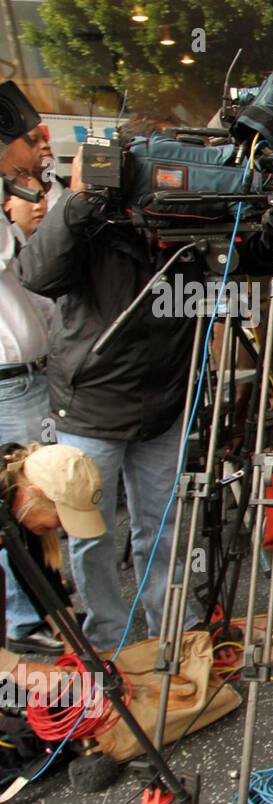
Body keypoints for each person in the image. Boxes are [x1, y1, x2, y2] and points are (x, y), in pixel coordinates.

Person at [14, 118, 244, 652]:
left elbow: (239, 267)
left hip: (165, 397)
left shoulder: (184, 221)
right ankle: (107, 638)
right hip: (92, 404)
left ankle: (176, 628)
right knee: (91, 534)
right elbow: (37, 274)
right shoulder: (87, 220)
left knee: (162, 525)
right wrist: (81, 200)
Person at [0, 172, 60, 654]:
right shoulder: (6, 242)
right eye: (26, 196)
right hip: (9, 387)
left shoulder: (22, 248)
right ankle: (26, 620)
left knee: (43, 503)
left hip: (35, 377)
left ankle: (48, 607)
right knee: (22, 505)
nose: (36, 204)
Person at [0, 442, 105, 682]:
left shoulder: (15, 493)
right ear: (34, 492)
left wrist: (75, 642)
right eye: (60, 517)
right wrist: (22, 671)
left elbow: (39, 572)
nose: (62, 527)